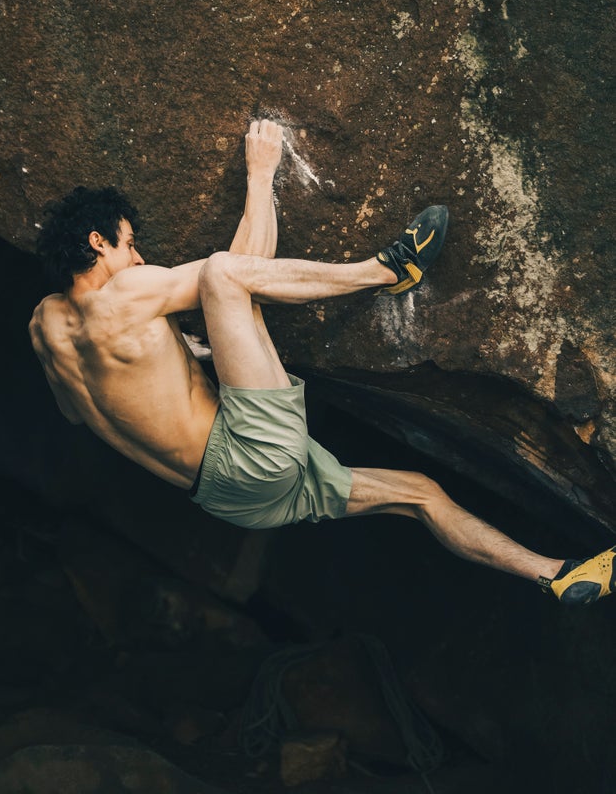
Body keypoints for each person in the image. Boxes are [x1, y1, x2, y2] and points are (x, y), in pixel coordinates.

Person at [30, 120, 614, 606]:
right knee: (220, 274)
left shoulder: (45, 328)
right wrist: (260, 177)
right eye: (130, 244)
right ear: (97, 242)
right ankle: (387, 271)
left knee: (421, 493)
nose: (138, 256)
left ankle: (558, 574)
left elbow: (82, 415)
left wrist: (179, 357)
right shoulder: (127, 295)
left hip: (229, 502)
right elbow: (237, 274)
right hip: (250, 455)